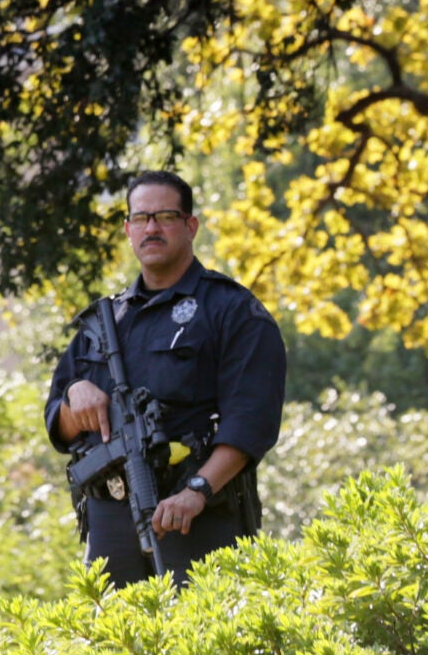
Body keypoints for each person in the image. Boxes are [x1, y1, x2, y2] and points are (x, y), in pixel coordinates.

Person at [47, 169, 288, 587]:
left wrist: (196, 490)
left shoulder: (232, 311)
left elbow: (251, 424)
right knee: (114, 646)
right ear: (128, 230)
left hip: (197, 516)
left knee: (202, 645)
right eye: (141, 219)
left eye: (165, 217)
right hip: (110, 521)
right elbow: (58, 423)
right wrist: (76, 395)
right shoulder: (103, 322)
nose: (151, 228)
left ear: (190, 225)